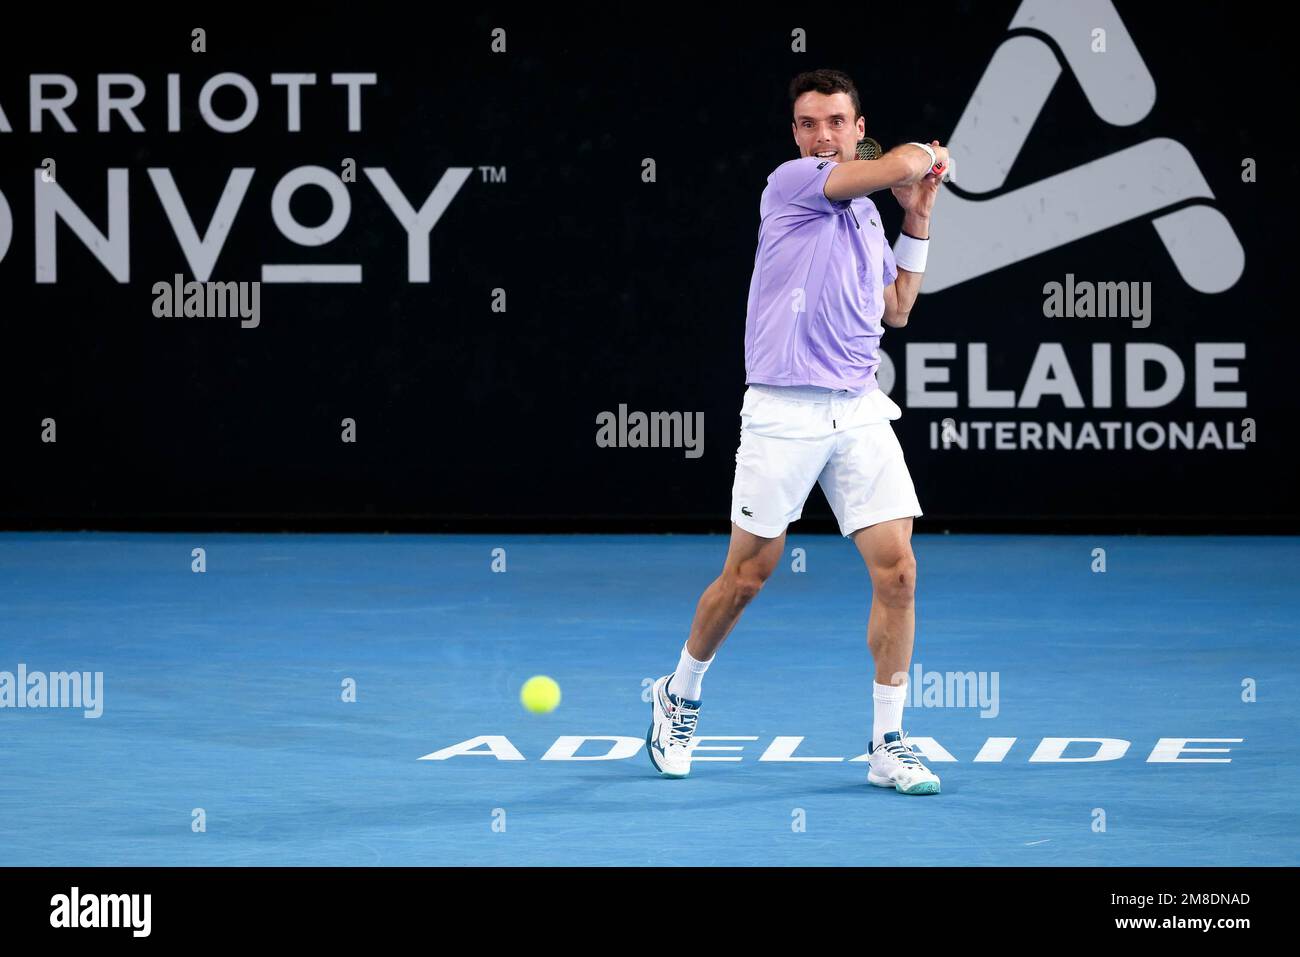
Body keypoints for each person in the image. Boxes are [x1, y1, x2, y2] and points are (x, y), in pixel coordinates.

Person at [646, 68, 949, 795]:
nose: (823, 135)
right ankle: (679, 693)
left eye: (835, 122)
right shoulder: (792, 184)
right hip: (783, 409)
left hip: (857, 405)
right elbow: (901, 161)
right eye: (810, 123)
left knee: (899, 571)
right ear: (796, 135)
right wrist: (923, 160)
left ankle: (887, 741)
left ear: (855, 124)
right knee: (749, 575)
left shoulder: (867, 216)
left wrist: (920, 211)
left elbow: (899, 306)